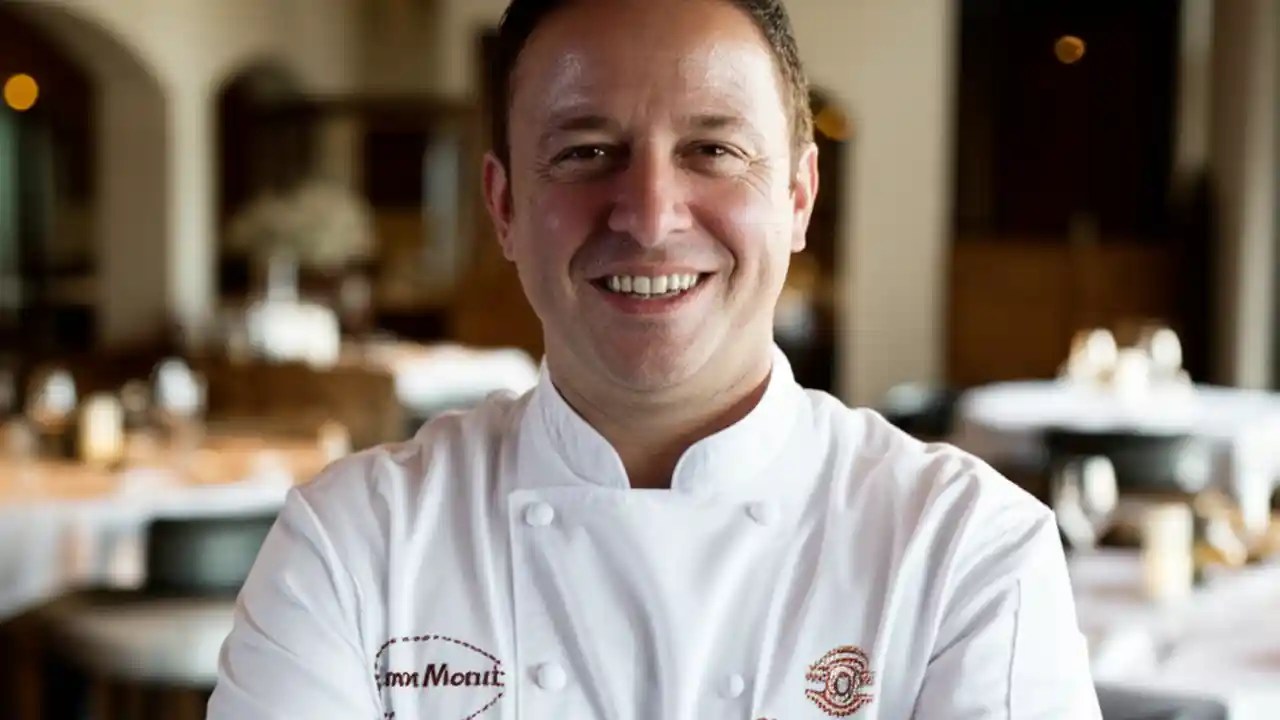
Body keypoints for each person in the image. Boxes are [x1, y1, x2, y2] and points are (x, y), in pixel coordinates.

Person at [209, 0, 1101, 717]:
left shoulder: (965, 551)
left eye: (712, 150)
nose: (648, 213)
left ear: (797, 197)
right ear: (505, 205)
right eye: (586, 151)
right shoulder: (354, 544)